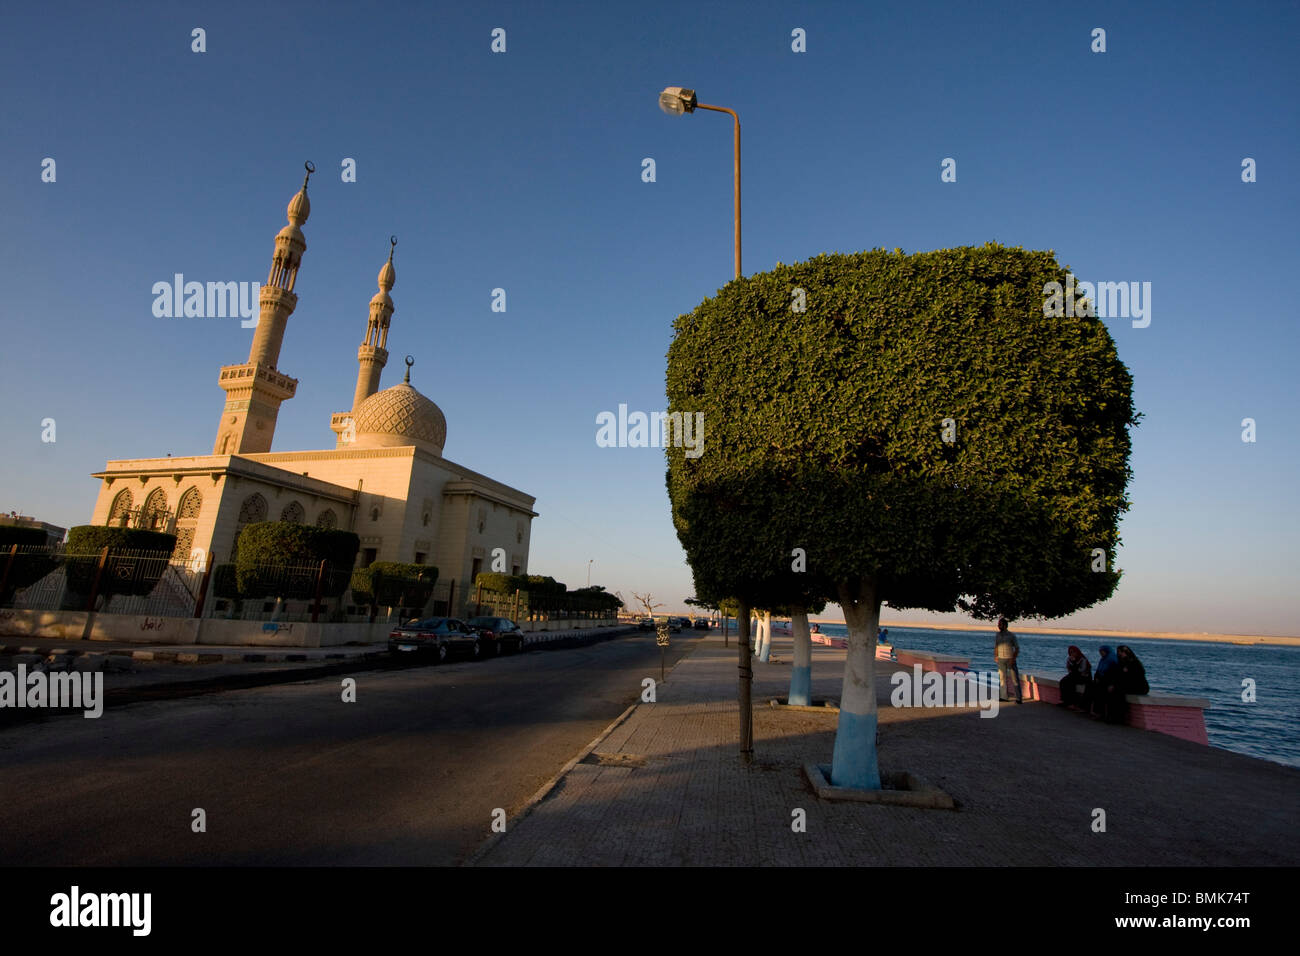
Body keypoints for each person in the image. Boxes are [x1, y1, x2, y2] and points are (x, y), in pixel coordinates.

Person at [994, 618, 1022, 703]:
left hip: (1010, 659)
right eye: (998, 624)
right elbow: (996, 646)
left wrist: (1013, 659)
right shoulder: (997, 635)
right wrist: (996, 656)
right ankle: (1004, 697)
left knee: (1015, 679)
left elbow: (1017, 648)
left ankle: (1018, 698)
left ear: (1005, 625)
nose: (998, 626)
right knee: (1002, 678)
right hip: (1001, 659)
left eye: (1000, 624)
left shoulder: (1011, 635)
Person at [1059, 645, 1092, 709]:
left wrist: (1074, 662)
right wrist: (1072, 664)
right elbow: (1069, 669)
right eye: (1070, 652)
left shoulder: (1082, 659)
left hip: (1083, 676)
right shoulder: (1069, 659)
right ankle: (1064, 700)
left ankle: (1072, 703)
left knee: (1071, 683)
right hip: (1074, 675)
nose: (1072, 654)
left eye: (1074, 652)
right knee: (1063, 682)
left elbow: (1082, 670)